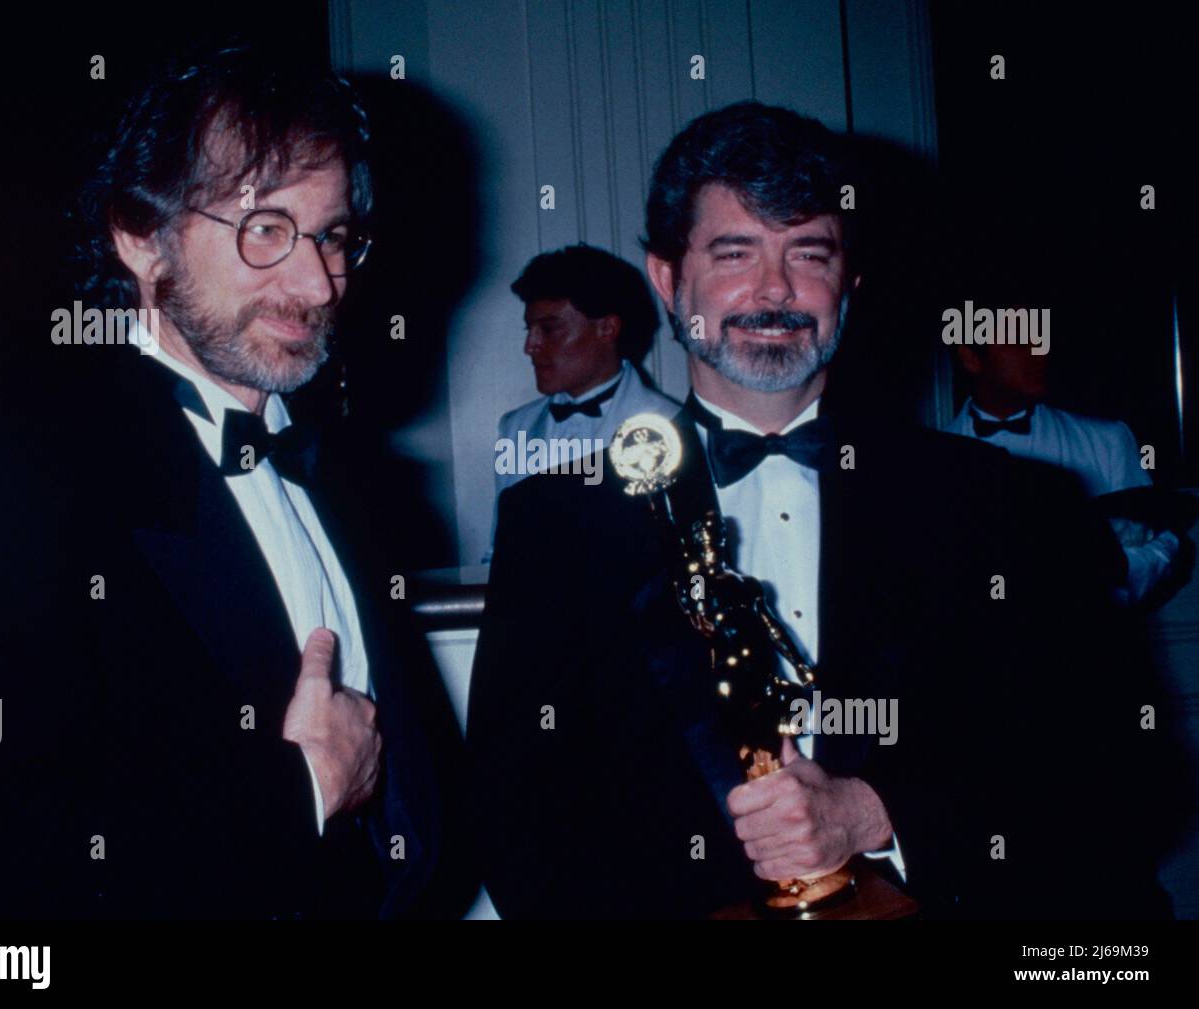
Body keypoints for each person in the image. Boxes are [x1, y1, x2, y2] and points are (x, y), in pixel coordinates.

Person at [467, 101, 1170, 919]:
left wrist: (877, 812)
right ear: (668, 278)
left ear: (851, 281)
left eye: (809, 253)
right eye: (736, 252)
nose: (775, 290)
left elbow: (1107, 775)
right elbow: (516, 820)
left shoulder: (1001, 502)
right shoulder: (556, 522)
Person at [0, 43, 470, 919]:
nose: (316, 281)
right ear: (140, 237)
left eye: (332, 237)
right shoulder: (10, 474)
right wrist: (306, 791)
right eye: (265, 228)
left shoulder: (342, 472)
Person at [948, 339, 1181, 605]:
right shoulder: (932, 463)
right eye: (1018, 342)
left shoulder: (1107, 440)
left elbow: (1163, 543)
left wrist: (1107, 582)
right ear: (970, 358)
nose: (1040, 352)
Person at [486, 245, 677, 560]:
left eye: (549, 329)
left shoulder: (671, 427)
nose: (530, 346)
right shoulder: (514, 428)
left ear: (607, 328)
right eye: (530, 329)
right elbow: (498, 553)